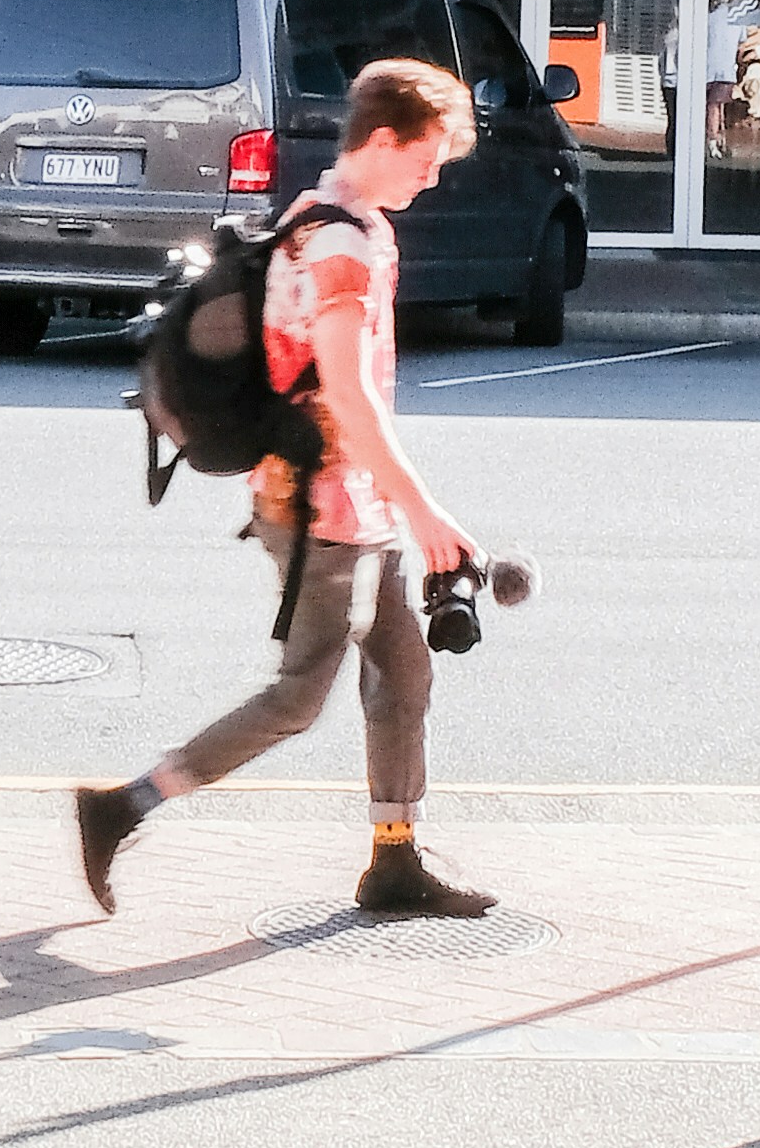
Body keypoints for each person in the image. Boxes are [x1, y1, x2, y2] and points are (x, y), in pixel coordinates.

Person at [75, 53, 494, 925]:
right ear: (383, 141)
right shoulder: (340, 245)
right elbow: (347, 394)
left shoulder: (325, 214)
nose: (431, 178)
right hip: (322, 511)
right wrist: (424, 512)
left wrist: (401, 508)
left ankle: (394, 858)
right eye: (426, 159)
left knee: (402, 672)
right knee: (299, 697)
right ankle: (123, 806)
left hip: (350, 501)